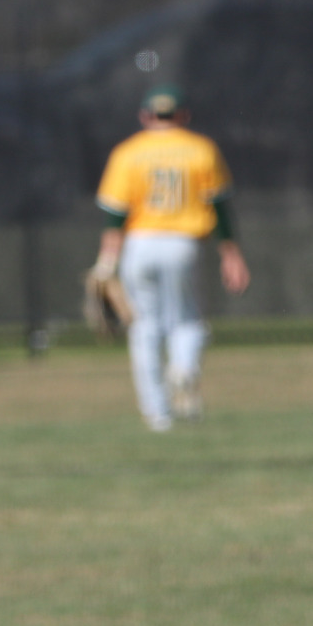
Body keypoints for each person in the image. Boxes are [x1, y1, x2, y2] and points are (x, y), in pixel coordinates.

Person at [91, 85, 249, 432]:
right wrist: (231, 255)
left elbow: (115, 216)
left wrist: (106, 262)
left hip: (140, 244)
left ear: (145, 116)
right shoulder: (201, 149)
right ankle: (184, 367)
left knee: (145, 327)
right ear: (184, 116)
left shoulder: (127, 153)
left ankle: (157, 414)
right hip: (183, 244)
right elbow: (219, 207)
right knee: (186, 320)